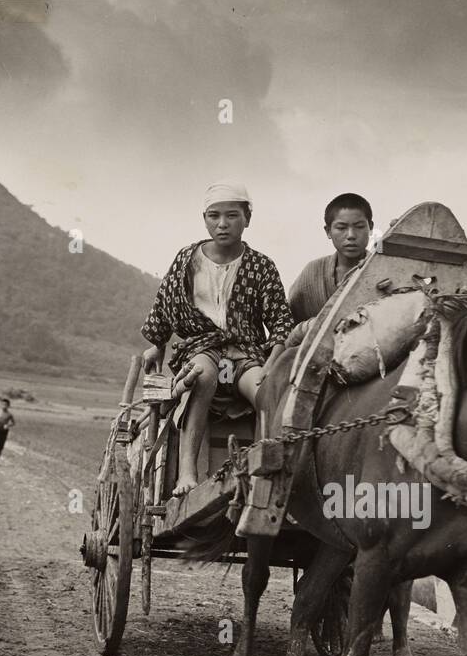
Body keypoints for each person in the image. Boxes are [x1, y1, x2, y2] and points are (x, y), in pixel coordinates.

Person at [141, 183, 293, 497]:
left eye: (232, 215)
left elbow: (280, 322)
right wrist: (156, 344)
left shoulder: (261, 266)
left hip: (245, 351)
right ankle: (187, 471)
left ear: (247, 218)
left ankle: (264, 472)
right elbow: (165, 303)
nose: (222, 224)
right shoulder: (187, 259)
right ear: (205, 219)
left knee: (267, 393)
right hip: (200, 347)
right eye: (214, 216)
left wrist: (272, 366)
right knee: (201, 377)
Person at [288, 192, 374, 324]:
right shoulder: (312, 273)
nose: (351, 235)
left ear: (370, 228)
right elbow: (289, 321)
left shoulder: (381, 268)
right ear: (328, 231)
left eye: (359, 227)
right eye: (341, 228)